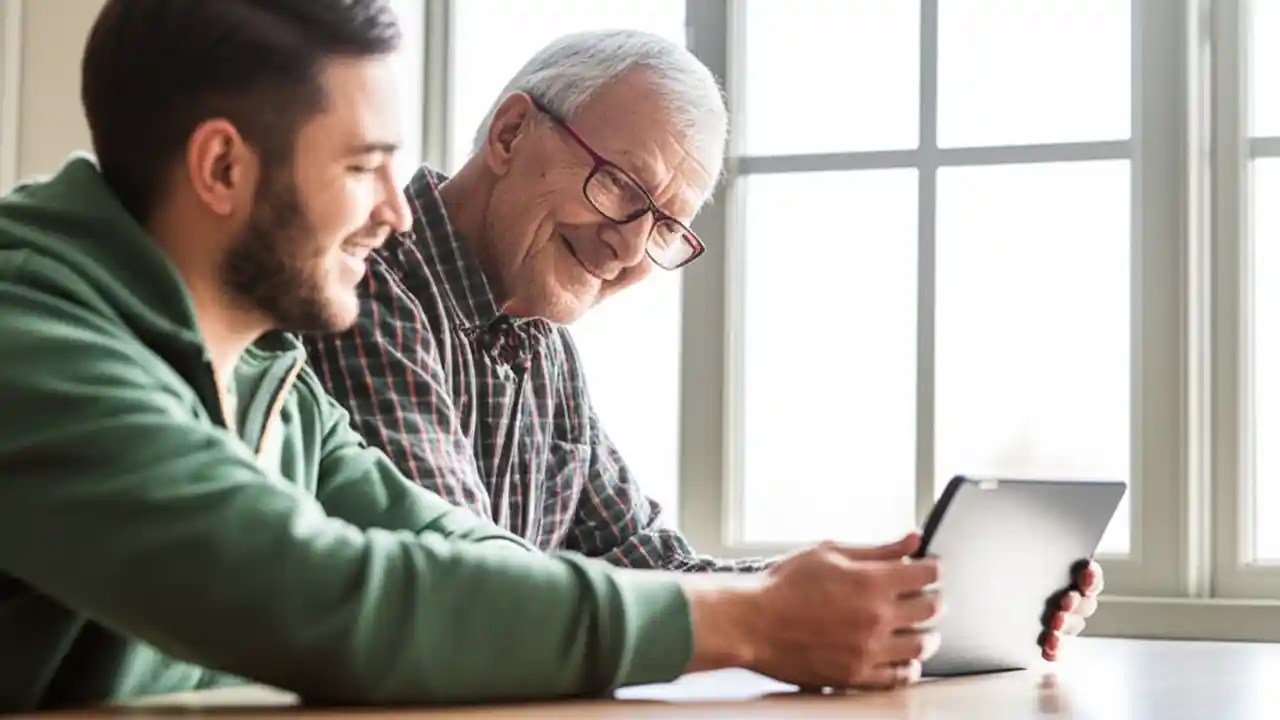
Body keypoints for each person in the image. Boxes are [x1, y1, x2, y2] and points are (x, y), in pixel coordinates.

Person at [0, 0, 948, 712]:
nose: (395, 208)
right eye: (363, 164)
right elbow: (319, 591)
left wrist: (843, 604)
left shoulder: (265, 377)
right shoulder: (29, 340)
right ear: (222, 169)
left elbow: (450, 545)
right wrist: (754, 622)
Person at [304, 29, 1103, 663]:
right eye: (620, 185)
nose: (626, 248)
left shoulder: (539, 346)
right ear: (512, 132)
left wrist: (880, 597)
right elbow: (470, 594)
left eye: (663, 226)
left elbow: (649, 563)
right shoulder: (365, 282)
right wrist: (772, 613)